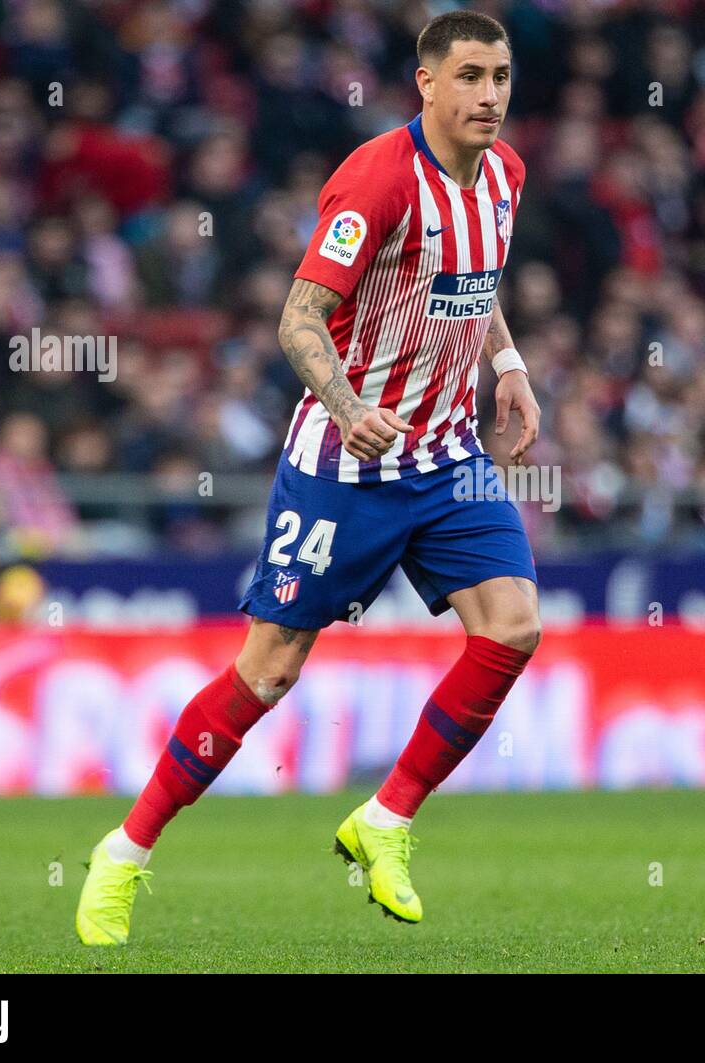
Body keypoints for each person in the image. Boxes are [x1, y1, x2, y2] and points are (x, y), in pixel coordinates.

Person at [75, 10, 541, 944]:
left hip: (448, 456)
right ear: (427, 83)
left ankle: (387, 818)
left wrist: (510, 368)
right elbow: (298, 316)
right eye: (471, 76)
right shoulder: (375, 180)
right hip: (344, 466)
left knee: (515, 627)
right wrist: (342, 402)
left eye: (500, 75)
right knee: (270, 670)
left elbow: (474, 285)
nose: (489, 93)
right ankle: (124, 851)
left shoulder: (506, 177)